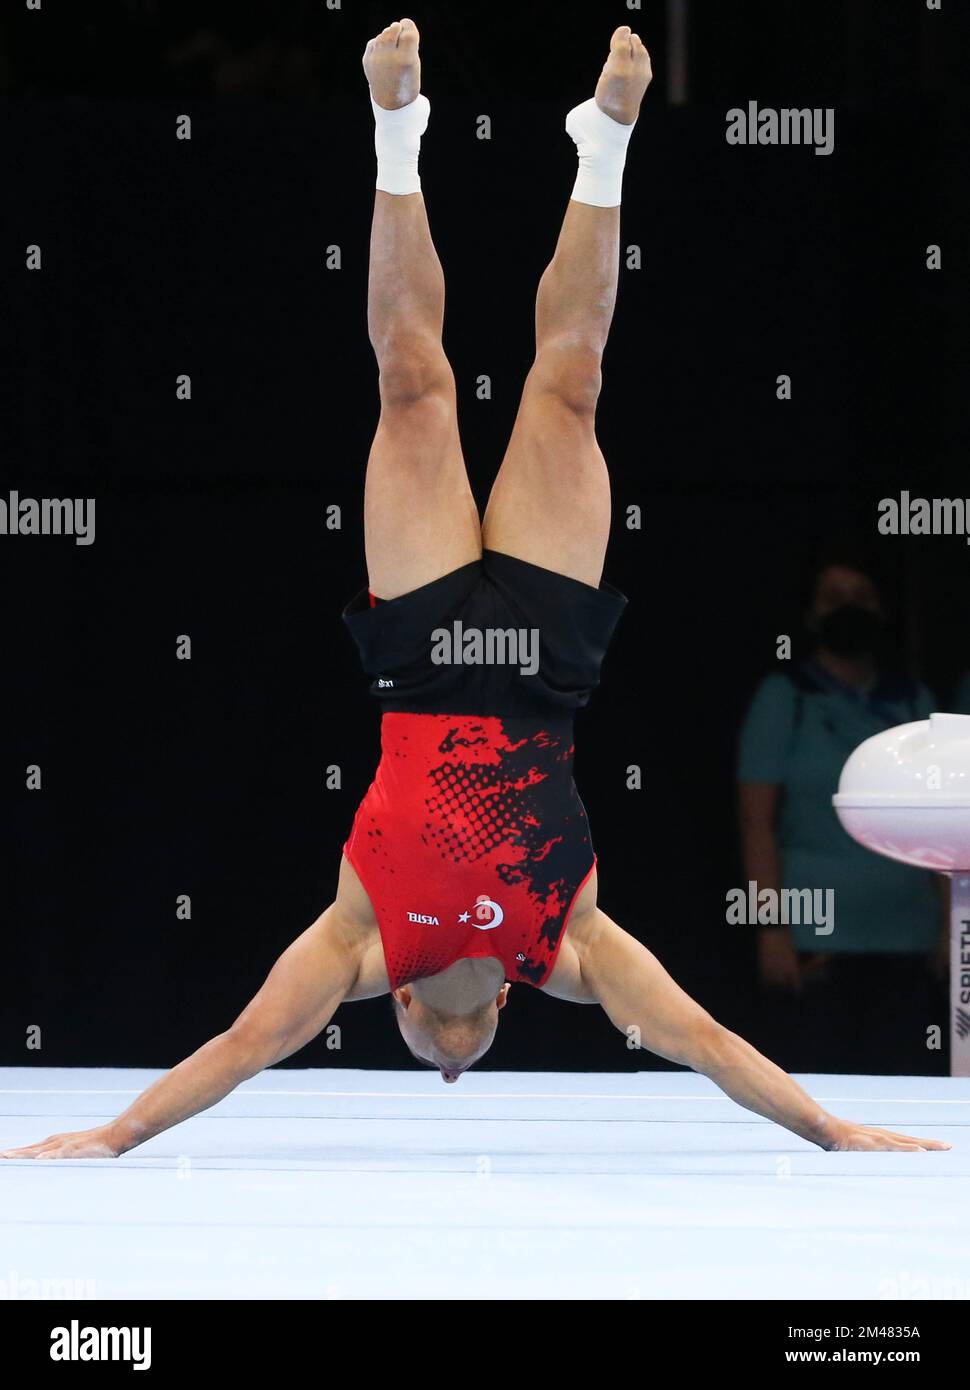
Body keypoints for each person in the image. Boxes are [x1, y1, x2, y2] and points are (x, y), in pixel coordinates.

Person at [2, 22, 948, 1162]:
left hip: (420, 654)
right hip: (547, 663)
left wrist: (115, 1133)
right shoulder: (570, 943)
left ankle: (395, 129)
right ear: (506, 1001)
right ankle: (602, 147)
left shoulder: (360, 940)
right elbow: (700, 1036)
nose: (451, 1036)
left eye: (431, 1037)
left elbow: (245, 1043)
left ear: (397, 1004)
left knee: (413, 386)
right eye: (470, 1034)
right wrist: (831, 1129)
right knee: (569, 385)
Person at [738, 549, 948, 1073]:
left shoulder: (913, 702)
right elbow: (756, 823)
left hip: (909, 937)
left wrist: (953, 927)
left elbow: (947, 822)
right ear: (811, 614)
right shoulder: (786, 696)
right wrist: (771, 929)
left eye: (861, 599)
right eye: (834, 599)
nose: (848, 609)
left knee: (908, 1087)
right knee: (820, 1085)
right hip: (815, 941)